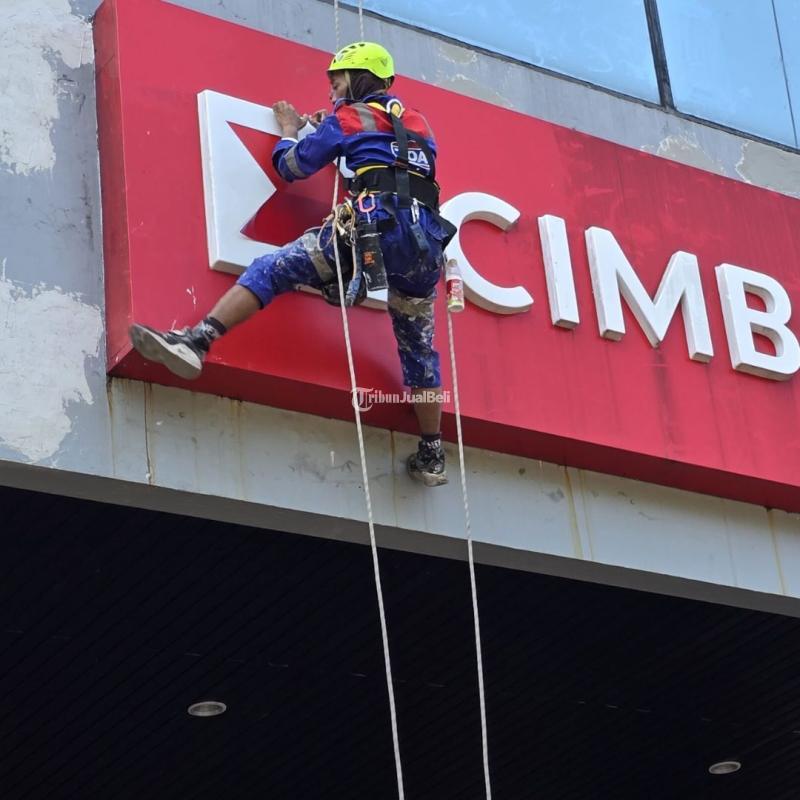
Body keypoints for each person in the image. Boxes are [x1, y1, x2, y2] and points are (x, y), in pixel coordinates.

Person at [129, 42, 454, 487]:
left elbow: (291, 167)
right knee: (418, 350)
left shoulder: (345, 119)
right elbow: (390, 157)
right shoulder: (419, 123)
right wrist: (337, 140)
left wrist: (289, 129)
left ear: (359, 78)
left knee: (271, 269)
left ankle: (198, 340)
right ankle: (433, 450)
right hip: (423, 248)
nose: (332, 89)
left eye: (337, 79)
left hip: (369, 233)